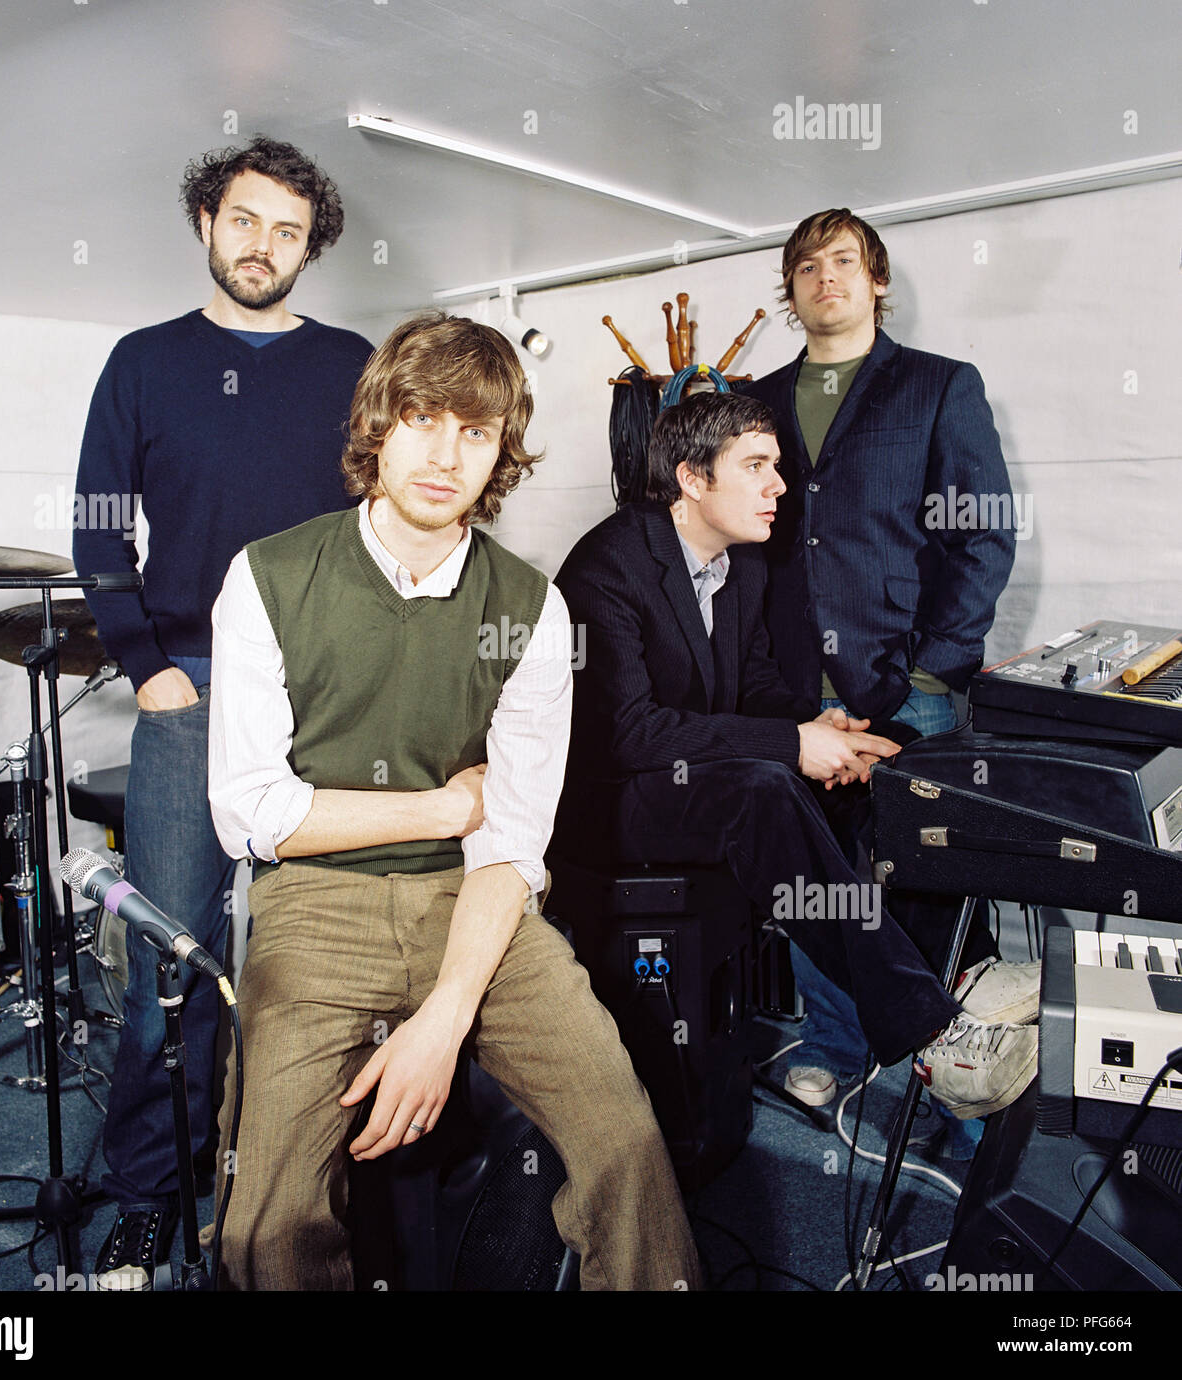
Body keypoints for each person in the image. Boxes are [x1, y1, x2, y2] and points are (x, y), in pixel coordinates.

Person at [206, 312, 701, 1291]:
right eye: (424, 419)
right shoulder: (264, 579)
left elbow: (511, 843)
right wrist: (436, 810)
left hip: (480, 910)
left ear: (500, 453)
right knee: (264, 1226)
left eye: (475, 432)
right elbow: (255, 815)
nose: (445, 453)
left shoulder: (532, 607)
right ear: (378, 428)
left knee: (628, 1151)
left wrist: (445, 1016)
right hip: (317, 908)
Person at [554, 391, 1038, 1125]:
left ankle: (958, 975)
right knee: (763, 790)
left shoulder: (741, 564)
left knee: (893, 767)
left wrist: (820, 725)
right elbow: (627, 734)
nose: (779, 485)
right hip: (610, 800)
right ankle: (936, 1037)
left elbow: (749, 690)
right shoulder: (606, 566)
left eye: (776, 465)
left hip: (691, 773)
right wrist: (793, 745)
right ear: (692, 478)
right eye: (755, 466)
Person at [73, 135, 373, 1289]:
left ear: (312, 246)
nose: (265, 246)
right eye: (245, 221)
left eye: (289, 231)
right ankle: (151, 1193)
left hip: (322, 688)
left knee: (322, 957)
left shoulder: (350, 359)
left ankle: (298, 1186)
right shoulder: (142, 362)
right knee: (171, 956)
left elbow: (377, 525)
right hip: (190, 686)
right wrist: (149, 662)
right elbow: (101, 530)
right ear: (207, 220)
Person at [734, 210, 1026, 1112]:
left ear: (878, 280)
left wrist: (932, 673)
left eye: (845, 261)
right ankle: (833, 1044)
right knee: (814, 879)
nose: (827, 277)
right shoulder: (756, 401)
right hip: (794, 693)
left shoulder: (940, 386)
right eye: (808, 266)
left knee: (918, 876)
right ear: (790, 291)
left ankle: (946, 1061)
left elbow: (981, 536)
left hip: (913, 690)